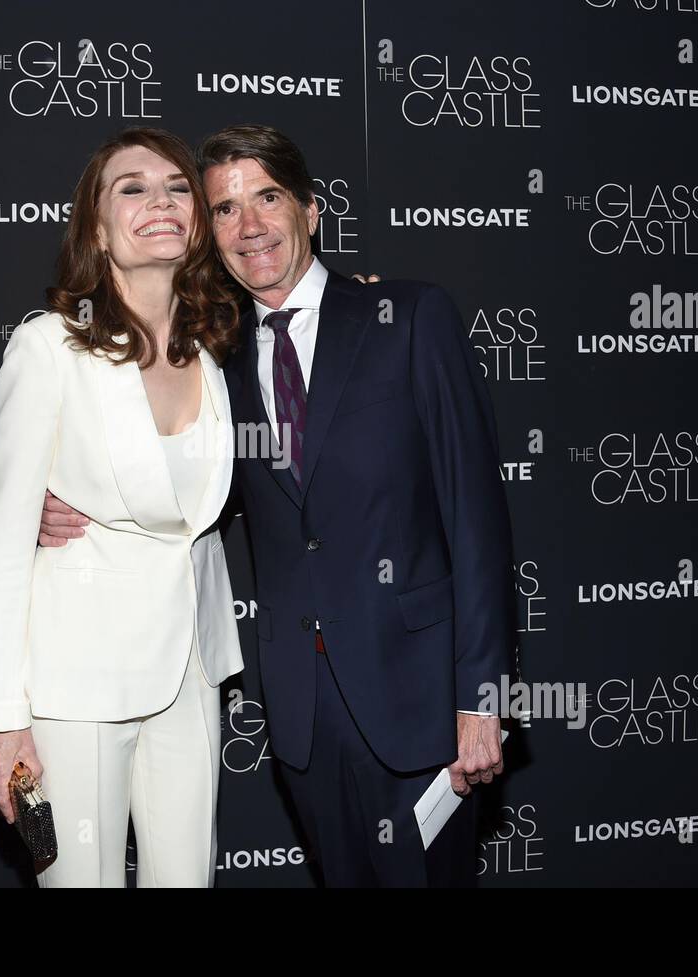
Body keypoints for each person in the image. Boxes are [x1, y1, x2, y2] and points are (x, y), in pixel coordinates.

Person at [40, 124, 516, 887]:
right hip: (302, 714)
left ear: (311, 210)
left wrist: (482, 698)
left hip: (422, 702)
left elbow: (479, 523)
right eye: (225, 209)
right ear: (209, 234)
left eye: (267, 198)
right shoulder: (211, 362)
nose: (250, 225)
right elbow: (170, 494)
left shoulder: (410, 319)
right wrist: (53, 504)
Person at [0, 126, 245, 887]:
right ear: (97, 225)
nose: (159, 200)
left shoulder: (214, 346)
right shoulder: (50, 347)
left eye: (176, 187)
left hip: (191, 669)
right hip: (77, 684)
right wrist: (4, 716)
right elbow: (3, 544)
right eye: (132, 187)